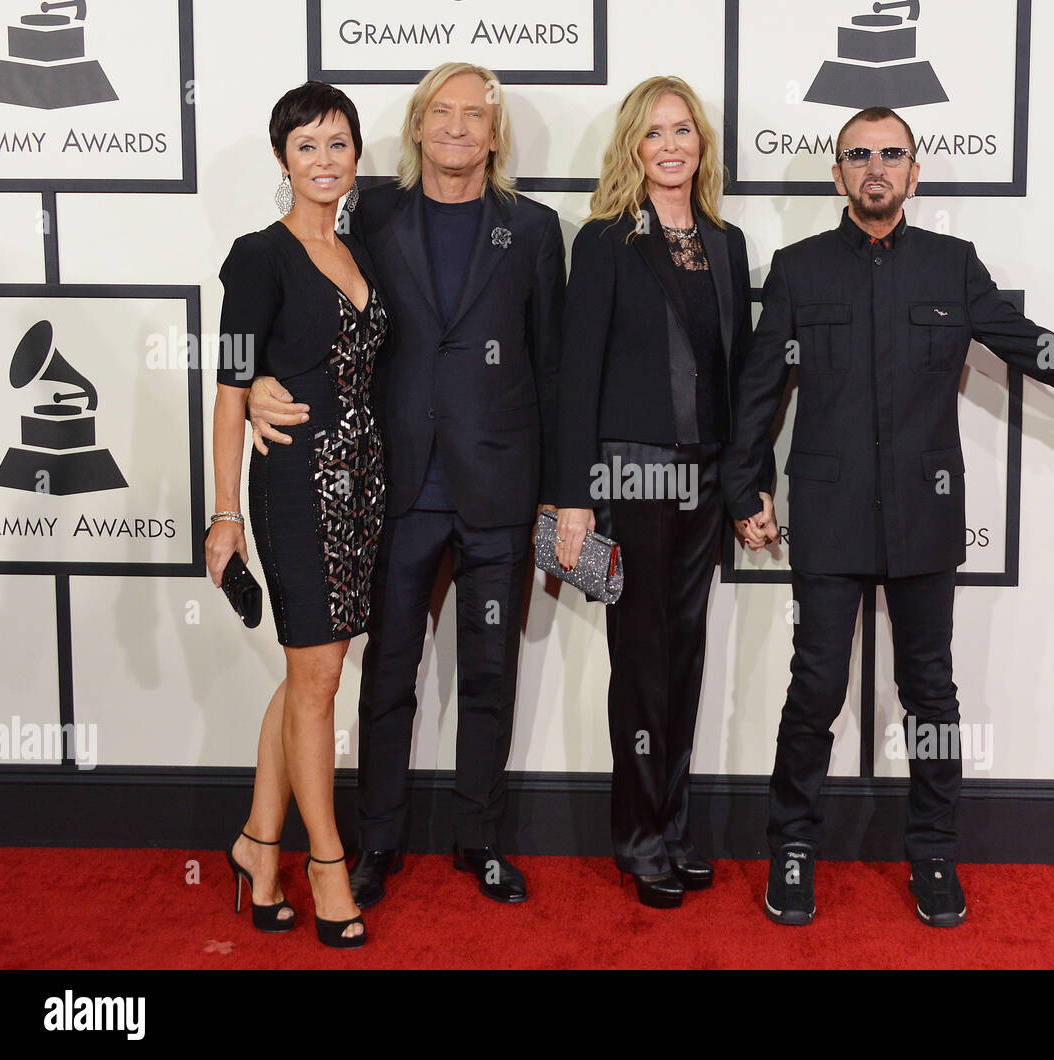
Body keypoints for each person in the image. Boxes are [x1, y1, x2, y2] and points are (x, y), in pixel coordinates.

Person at [721, 106, 1054, 929]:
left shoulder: (954, 267)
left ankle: (931, 853)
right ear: (839, 175)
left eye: (892, 154)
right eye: (859, 155)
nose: (876, 167)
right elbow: (755, 397)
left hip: (924, 518)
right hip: (828, 510)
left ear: (915, 173)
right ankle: (791, 848)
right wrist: (745, 488)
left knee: (929, 695)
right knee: (814, 688)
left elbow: (1041, 350)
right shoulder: (798, 269)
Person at [246, 62, 564, 907]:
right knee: (388, 675)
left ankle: (481, 839)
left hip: (498, 491)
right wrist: (256, 385)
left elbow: (553, 371)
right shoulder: (371, 211)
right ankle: (375, 841)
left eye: (476, 115)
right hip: (388, 488)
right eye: (443, 113)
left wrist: (560, 493)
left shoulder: (534, 230)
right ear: (418, 126)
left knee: (490, 674)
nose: (459, 127)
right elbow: (300, 294)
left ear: (494, 134)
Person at [554, 76, 759, 908]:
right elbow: (577, 377)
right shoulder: (605, 242)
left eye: (684, 131)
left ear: (701, 144)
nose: (671, 146)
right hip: (630, 474)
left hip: (706, 477)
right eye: (654, 133)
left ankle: (673, 826)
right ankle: (639, 837)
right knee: (639, 664)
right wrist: (573, 497)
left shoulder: (727, 240)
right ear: (632, 148)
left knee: (685, 656)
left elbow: (745, 380)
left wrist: (747, 482)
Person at [208, 81, 385, 948]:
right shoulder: (256, 257)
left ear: (357, 155)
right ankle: (327, 867)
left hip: (364, 491)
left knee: (310, 677)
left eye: (339, 143)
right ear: (284, 158)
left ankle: (256, 848)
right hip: (292, 494)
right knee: (318, 683)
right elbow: (232, 389)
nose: (325, 160)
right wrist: (224, 514)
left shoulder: (363, 250)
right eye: (308, 145)